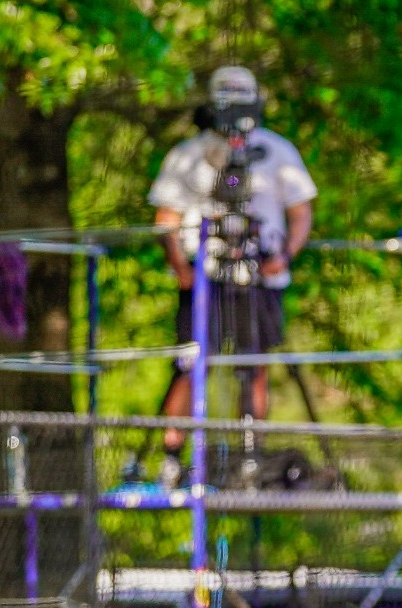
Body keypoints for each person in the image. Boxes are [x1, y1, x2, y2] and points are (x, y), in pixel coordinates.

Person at [148, 65, 318, 460]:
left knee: (255, 365)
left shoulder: (277, 152)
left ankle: (250, 454)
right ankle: (171, 458)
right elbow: (166, 219)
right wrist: (181, 268)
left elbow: (302, 211)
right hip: (205, 279)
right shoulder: (188, 155)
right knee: (191, 364)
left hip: (258, 280)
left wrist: (286, 256)